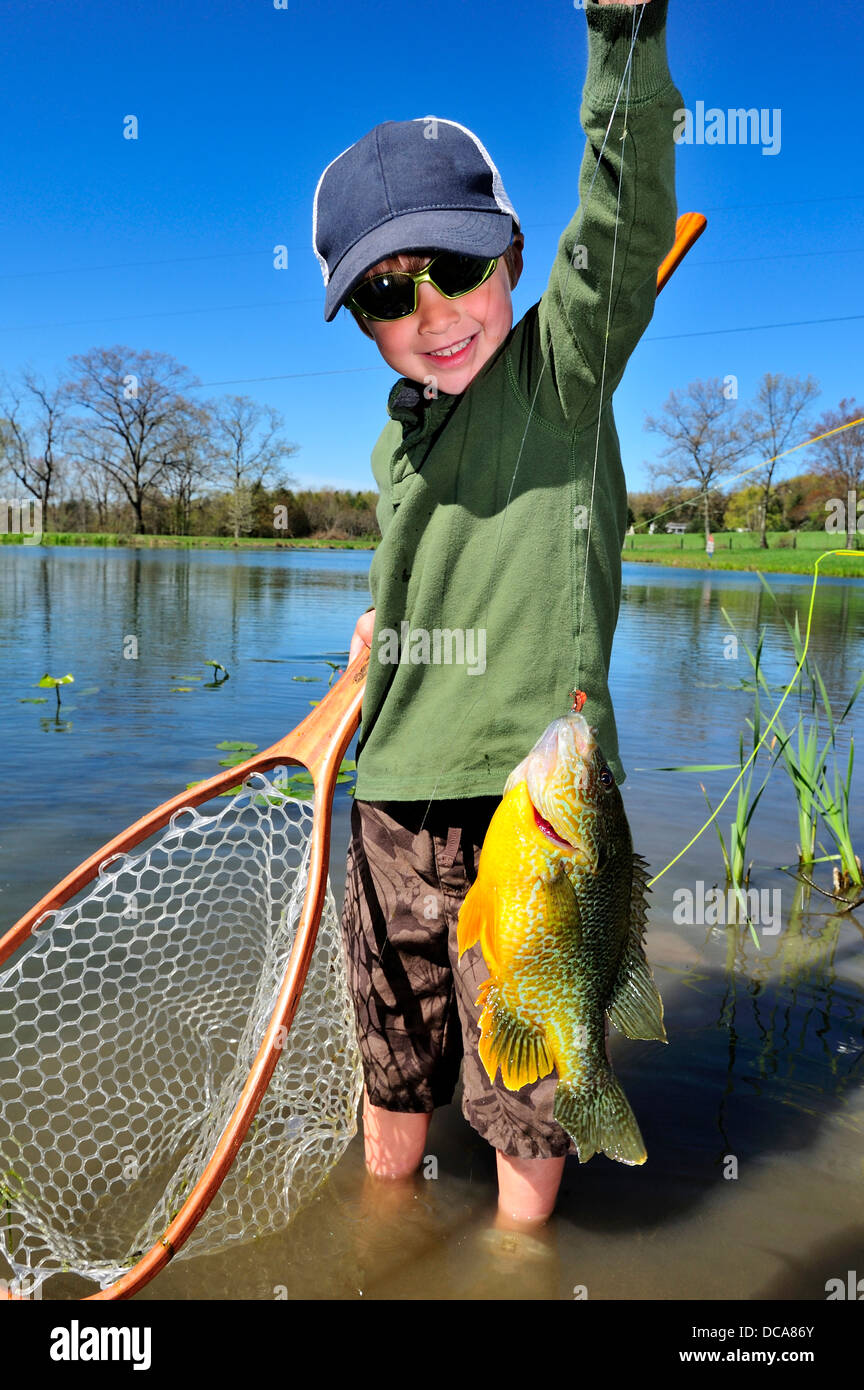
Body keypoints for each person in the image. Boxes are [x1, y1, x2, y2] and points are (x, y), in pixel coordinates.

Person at [312, 0, 680, 1224]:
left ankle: (523, 1256)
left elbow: (623, 229)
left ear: (513, 258)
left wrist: (621, 36)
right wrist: (384, 637)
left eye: (458, 269)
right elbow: (419, 574)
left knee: (531, 1078)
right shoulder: (396, 442)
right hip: (390, 797)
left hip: (533, 808)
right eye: (387, 294)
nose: (433, 313)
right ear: (361, 321)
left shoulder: (559, 380)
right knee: (393, 1052)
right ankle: (385, 1239)